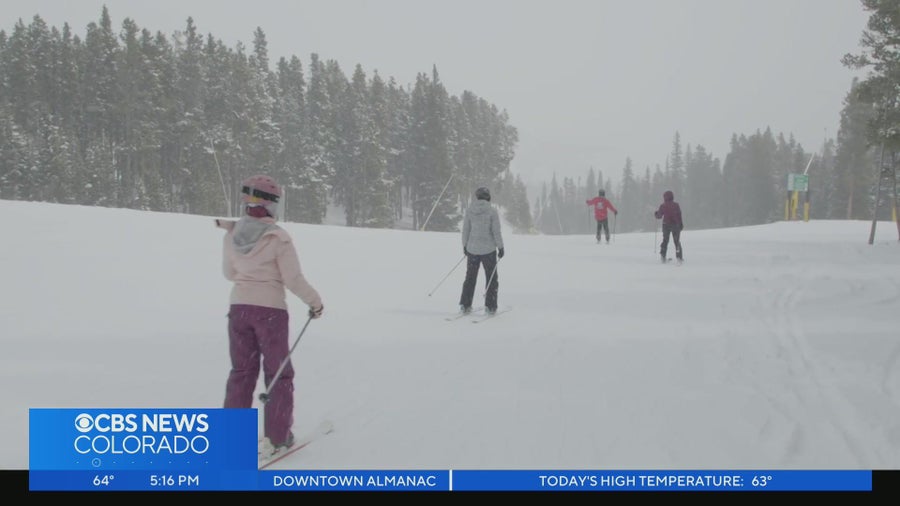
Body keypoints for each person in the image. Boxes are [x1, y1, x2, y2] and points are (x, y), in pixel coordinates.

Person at [215, 174, 324, 455]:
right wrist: (315, 302)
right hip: (271, 313)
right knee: (278, 374)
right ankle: (278, 438)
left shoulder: (232, 233)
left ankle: (231, 439)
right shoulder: (278, 237)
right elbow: (293, 278)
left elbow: (229, 274)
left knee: (241, 372)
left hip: (238, 310)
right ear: (272, 204)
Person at [459, 187, 505, 315]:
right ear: (488, 197)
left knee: (470, 277)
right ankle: (490, 306)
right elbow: (496, 231)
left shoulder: (469, 210)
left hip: (472, 250)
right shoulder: (492, 211)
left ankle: (465, 304)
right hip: (488, 251)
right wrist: (500, 247)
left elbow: (466, 230)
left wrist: (465, 246)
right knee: (491, 278)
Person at [654, 190, 684, 263]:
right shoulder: (676, 205)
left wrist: (656, 214)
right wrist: (681, 224)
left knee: (665, 240)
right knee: (677, 241)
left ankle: (663, 256)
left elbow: (659, 216)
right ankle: (679, 257)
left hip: (666, 225)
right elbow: (679, 215)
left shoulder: (663, 206)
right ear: (672, 197)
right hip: (675, 225)